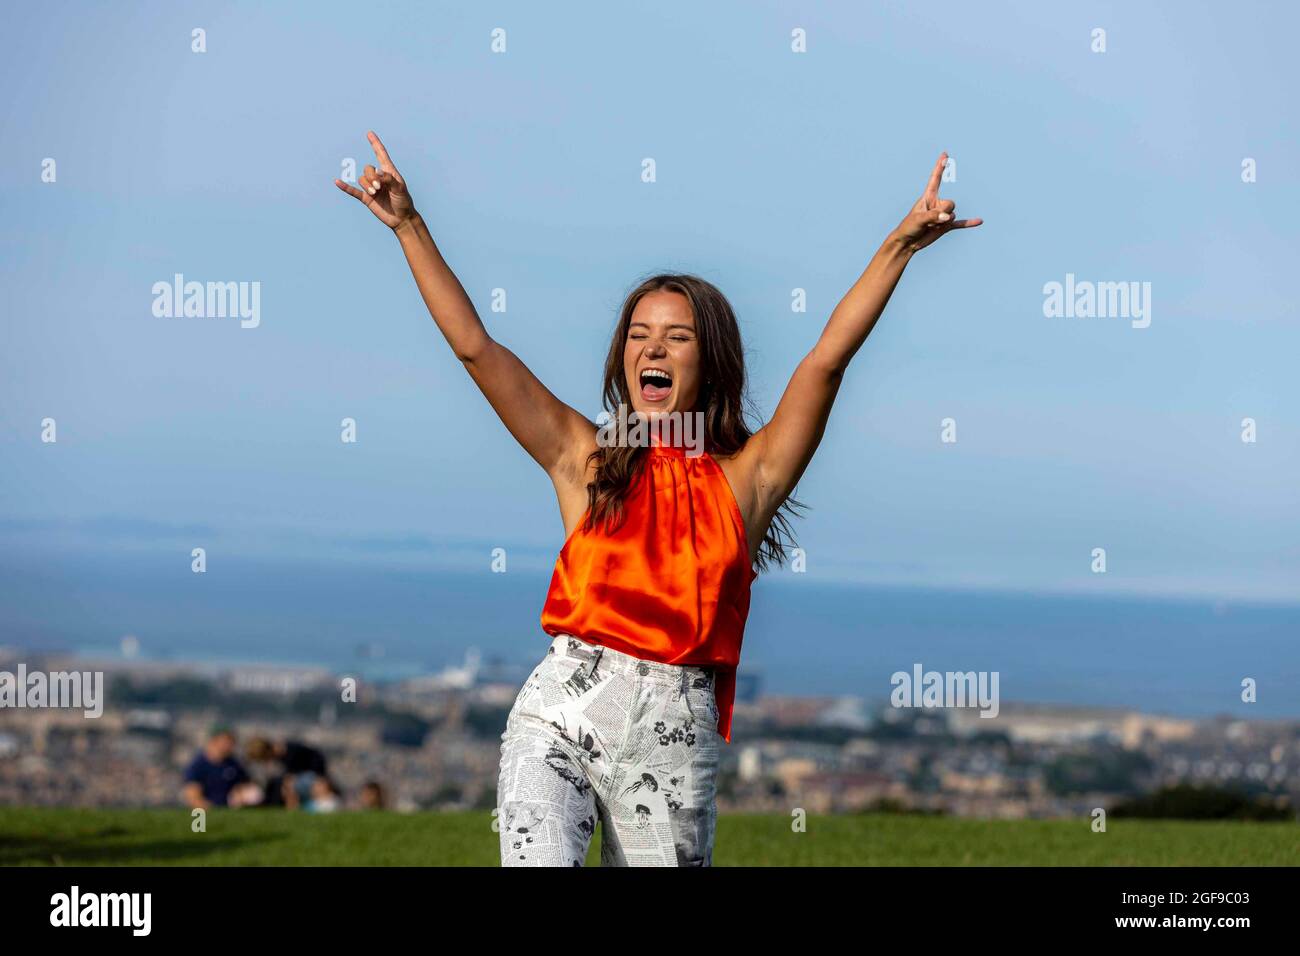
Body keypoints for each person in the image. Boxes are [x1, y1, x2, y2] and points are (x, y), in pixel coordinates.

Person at [334, 132, 980, 866]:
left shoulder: (748, 478)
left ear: (711, 362)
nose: (653, 348)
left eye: (676, 337)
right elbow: (477, 347)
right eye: (639, 334)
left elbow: (826, 360)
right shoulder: (584, 459)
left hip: (674, 734)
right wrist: (409, 226)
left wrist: (899, 245)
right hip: (561, 713)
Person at [181, 725, 252, 810]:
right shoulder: (198, 766)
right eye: (227, 740)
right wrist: (211, 809)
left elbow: (245, 785)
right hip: (209, 809)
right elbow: (193, 796)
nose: (231, 745)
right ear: (214, 741)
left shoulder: (234, 764)